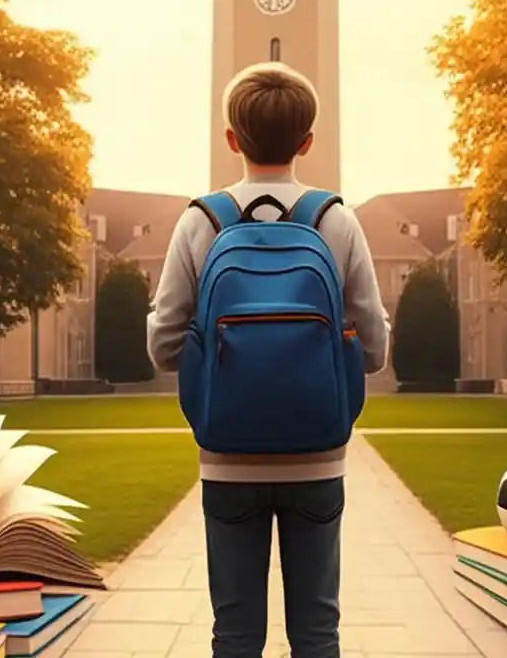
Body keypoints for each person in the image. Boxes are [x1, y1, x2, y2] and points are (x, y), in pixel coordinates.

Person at [146, 62, 391, 658]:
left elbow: (163, 345)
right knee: (317, 633)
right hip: (317, 456)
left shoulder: (201, 220)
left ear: (232, 139)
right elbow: (375, 348)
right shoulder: (335, 219)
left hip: (227, 458)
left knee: (234, 635)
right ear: (307, 142)